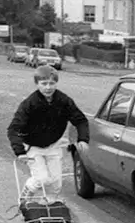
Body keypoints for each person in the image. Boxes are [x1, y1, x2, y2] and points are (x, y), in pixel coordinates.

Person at [7, 66, 90, 204]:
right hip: (33, 146)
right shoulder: (29, 104)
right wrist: (19, 151)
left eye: (52, 83)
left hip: (53, 145)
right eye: (44, 84)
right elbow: (13, 129)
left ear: (56, 83)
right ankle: (24, 199)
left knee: (56, 183)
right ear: (37, 84)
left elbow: (80, 120)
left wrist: (83, 139)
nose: (48, 87)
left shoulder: (63, 101)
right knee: (42, 179)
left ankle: (49, 206)